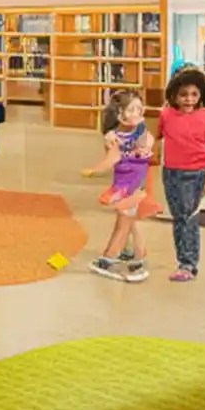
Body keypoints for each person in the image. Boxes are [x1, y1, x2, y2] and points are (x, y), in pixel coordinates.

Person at [81, 90, 159, 283]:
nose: (137, 114)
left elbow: (144, 148)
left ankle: (108, 259)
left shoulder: (142, 135)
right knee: (129, 223)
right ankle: (140, 259)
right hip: (124, 188)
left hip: (135, 187)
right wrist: (95, 169)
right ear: (119, 114)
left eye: (139, 110)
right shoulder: (115, 137)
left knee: (123, 225)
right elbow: (112, 158)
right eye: (131, 110)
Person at [155, 68, 205, 282]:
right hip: (170, 172)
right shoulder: (165, 114)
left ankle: (188, 263)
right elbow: (158, 139)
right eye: (183, 95)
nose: (189, 99)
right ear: (174, 95)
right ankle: (183, 260)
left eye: (194, 94)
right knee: (178, 217)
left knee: (189, 218)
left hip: (195, 173)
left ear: (201, 95)